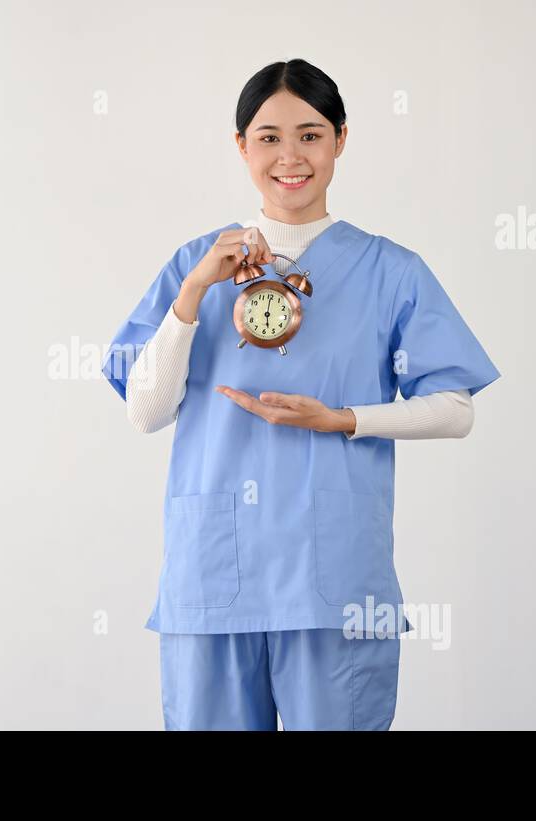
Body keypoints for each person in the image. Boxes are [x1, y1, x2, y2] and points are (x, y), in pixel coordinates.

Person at [101, 59, 501, 731]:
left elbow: (456, 409)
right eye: (268, 137)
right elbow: (146, 412)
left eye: (311, 135)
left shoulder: (389, 271)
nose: (290, 156)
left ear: (341, 140)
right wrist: (195, 292)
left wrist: (342, 419)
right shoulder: (194, 264)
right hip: (214, 576)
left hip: (336, 580)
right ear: (241, 147)